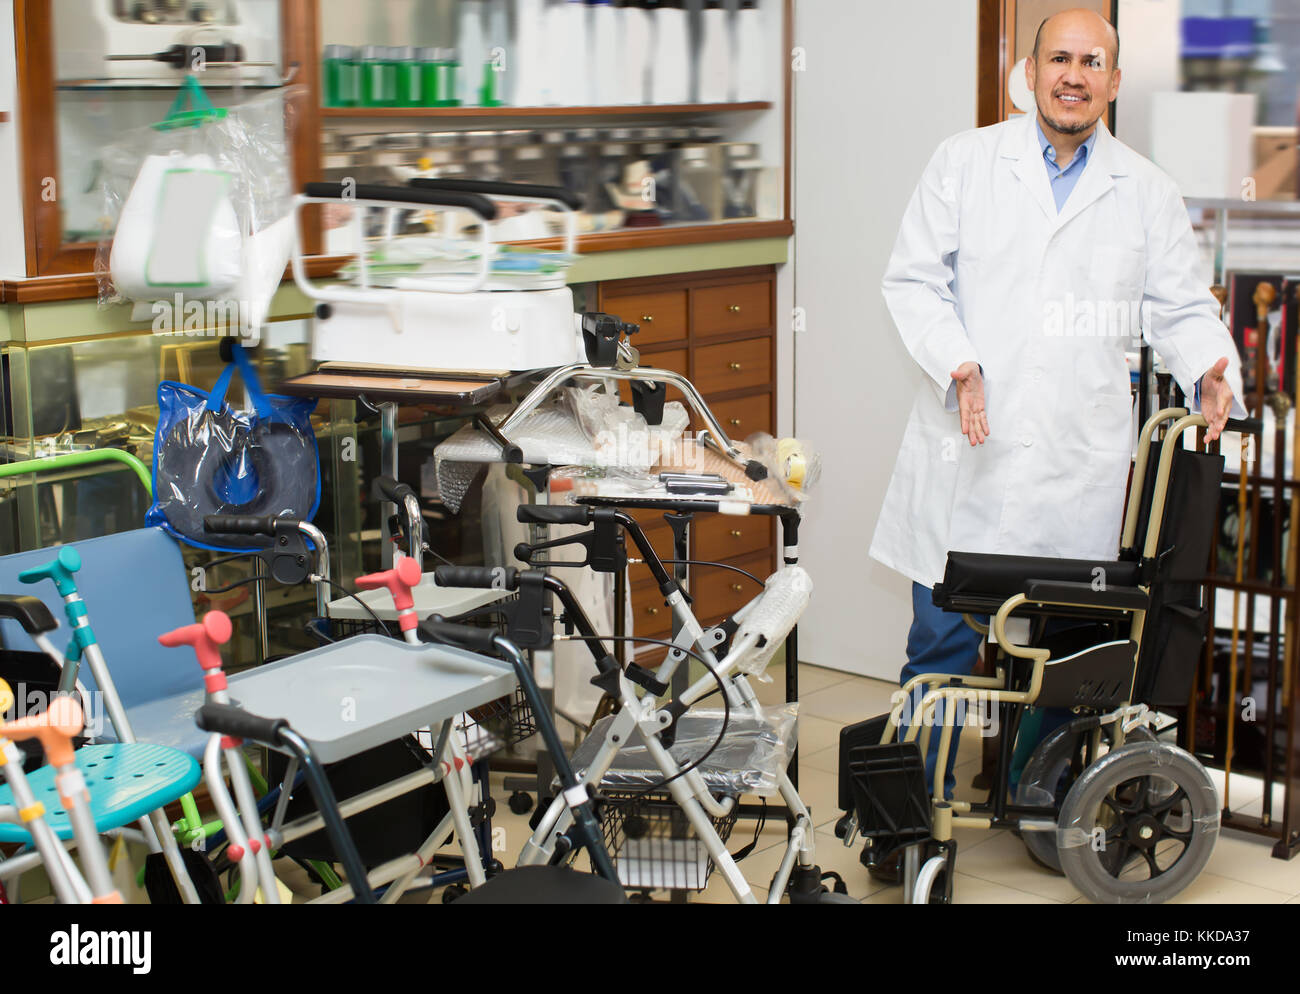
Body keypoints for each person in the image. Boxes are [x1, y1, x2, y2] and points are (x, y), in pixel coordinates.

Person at [870, 10, 1245, 814]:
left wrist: (1212, 367)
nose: (1073, 75)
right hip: (967, 457)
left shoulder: (1145, 190)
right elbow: (910, 282)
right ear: (1030, 69)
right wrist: (959, 361)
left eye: (1093, 62)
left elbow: (1182, 309)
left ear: (1113, 81)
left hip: (1075, 468)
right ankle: (904, 818)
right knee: (937, 652)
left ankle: (1038, 810)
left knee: (1069, 662)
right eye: (1059, 58)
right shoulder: (964, 163)